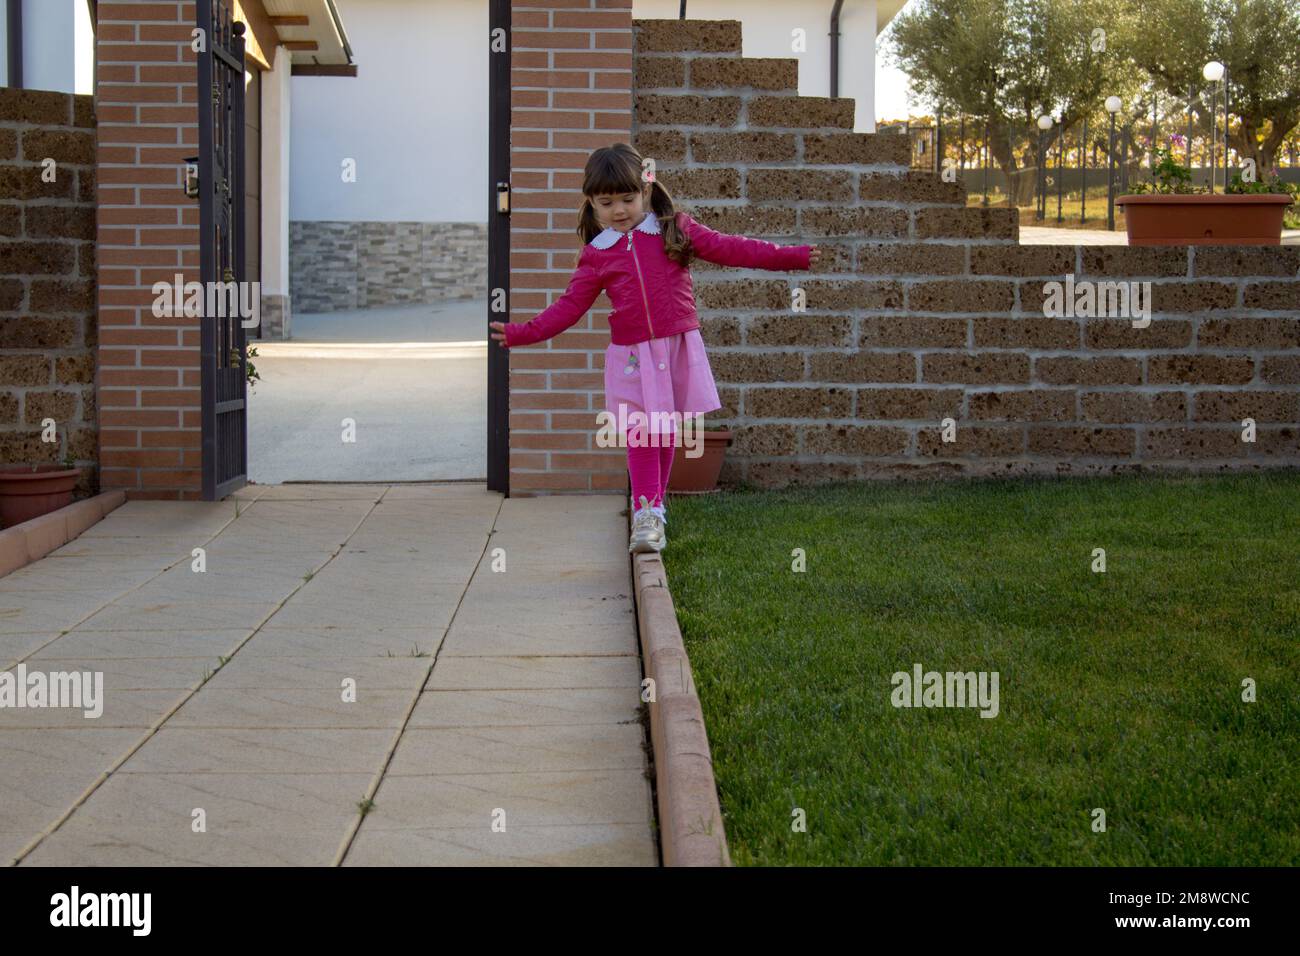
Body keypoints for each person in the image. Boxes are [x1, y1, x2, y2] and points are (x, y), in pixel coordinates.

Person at [490, 143, 822, 554]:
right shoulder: (597, 255)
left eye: (627, 199)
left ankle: (654, 511)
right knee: (641, 434)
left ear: (645, 190)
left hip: (675, 347)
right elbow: (569, 307)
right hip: (631, 358)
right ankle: (647, 513)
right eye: (605, 202)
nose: (618, 210)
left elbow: (733, 248)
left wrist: (793, 257)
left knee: (663, 435)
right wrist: (523, 333)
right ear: (591, 203)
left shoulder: (674, 230)